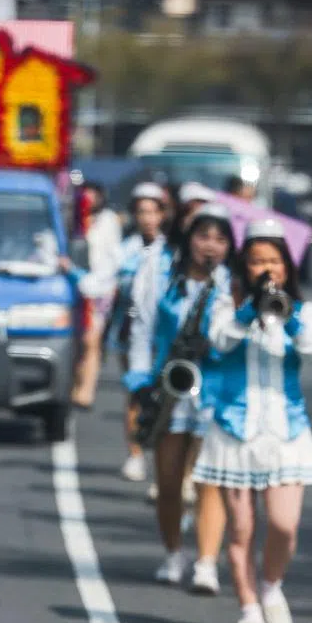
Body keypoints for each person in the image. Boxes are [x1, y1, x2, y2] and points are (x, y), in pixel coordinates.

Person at [192, 218, 312, 623]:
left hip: (286, 431)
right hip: (235, 429)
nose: (266, 268)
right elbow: (218, 342)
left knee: (285, 525)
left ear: (286, 266)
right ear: (244, 266)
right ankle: (249, 607)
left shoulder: (305, 311)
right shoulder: (224, 303)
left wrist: (286, 318)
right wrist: (250, 309)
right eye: (257, 261)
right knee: (242, 529)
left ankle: (271, 586)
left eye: (274, 260)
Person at [126, 203, 233, 584]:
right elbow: (142, 329)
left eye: (220, 238)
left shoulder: (231, 285)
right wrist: (138, 379)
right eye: (203, 236)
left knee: (209, 479)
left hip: (215, 392)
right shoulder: (162, 276)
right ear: (188, 240)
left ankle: (206, 563)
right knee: (169, 481)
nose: (211, 245)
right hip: (170, 389)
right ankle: (174, 553)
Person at [114, 182, 168, 482]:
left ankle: (164, 463)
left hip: (164, 334)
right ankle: (135, 454)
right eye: (141, 211)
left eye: (153, 211)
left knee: (164, 398)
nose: (147, 218)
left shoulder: (173, 250)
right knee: (136, 393)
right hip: (130, 332)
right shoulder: (125, 249)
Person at [70, 182, 123, 409]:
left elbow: (113, 257)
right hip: (73, 286)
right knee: (76, 340)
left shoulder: (108, 221)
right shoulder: (71, 220)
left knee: (91, 340)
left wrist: (107, 282)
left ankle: (87, 390)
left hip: (100, 288)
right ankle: (74, 382)